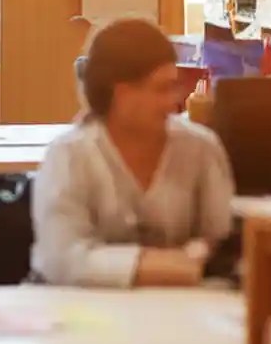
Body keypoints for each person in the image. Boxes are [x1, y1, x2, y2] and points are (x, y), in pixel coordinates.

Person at [30, 18, 235, 287]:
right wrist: (171, 265)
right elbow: (62, 259)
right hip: (83, 310)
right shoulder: (69, 155)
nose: (173, 101)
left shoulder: (201, 148)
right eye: (161, 89)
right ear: (122, 94)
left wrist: (198, 259)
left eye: (173, 86)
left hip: (178, 308)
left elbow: (221, 240)